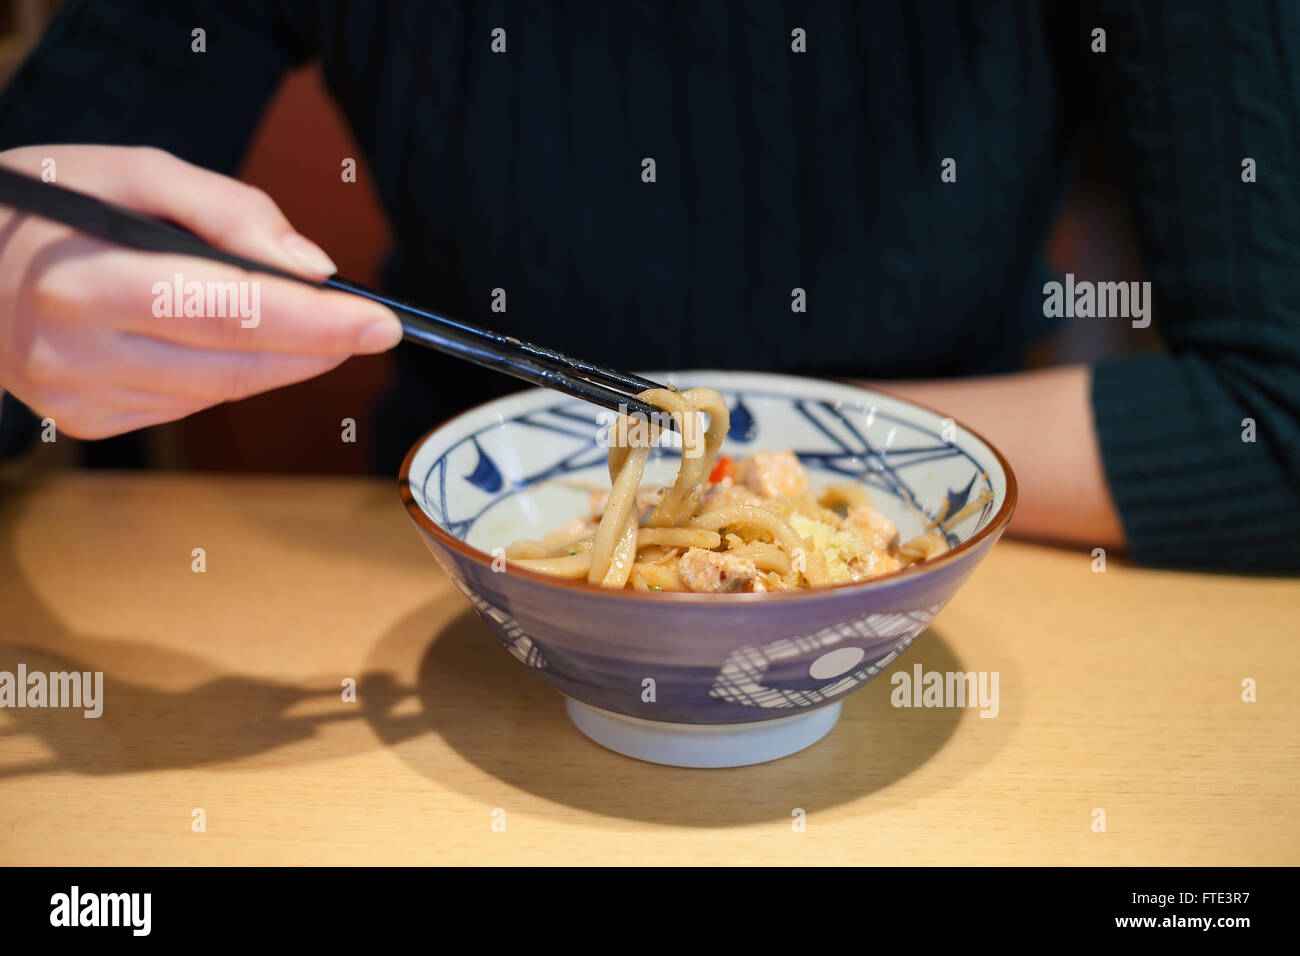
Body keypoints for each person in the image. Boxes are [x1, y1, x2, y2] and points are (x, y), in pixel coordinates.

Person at [0, 1, 1295, 571]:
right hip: (438, 606)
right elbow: (45, 202)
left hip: (946, 592)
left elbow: (1276, 420)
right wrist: (18, 313)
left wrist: (753, 462)